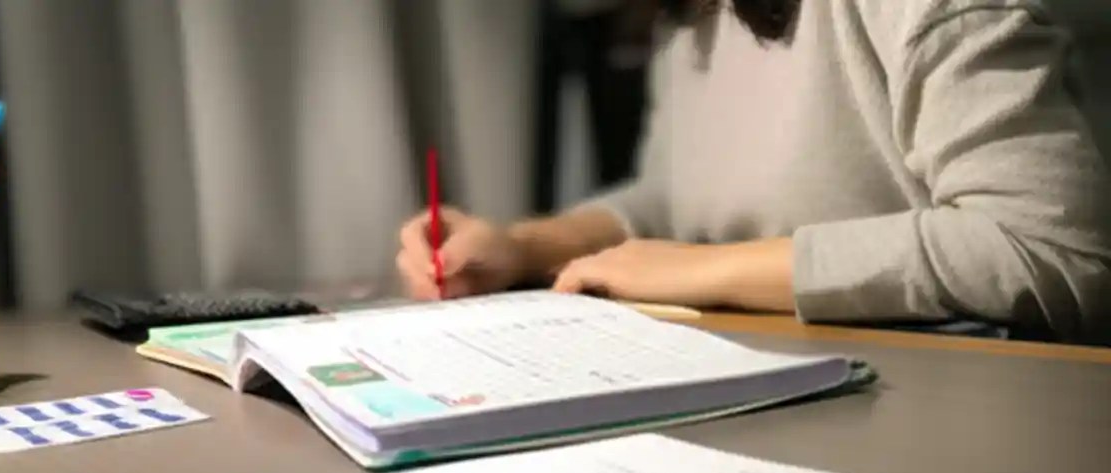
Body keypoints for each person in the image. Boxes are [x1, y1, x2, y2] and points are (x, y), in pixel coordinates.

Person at [395, 0, 1111, 343]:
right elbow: (677, 199)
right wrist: (524, 248)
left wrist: (707, 270)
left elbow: (1052, 250)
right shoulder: (692, 20)